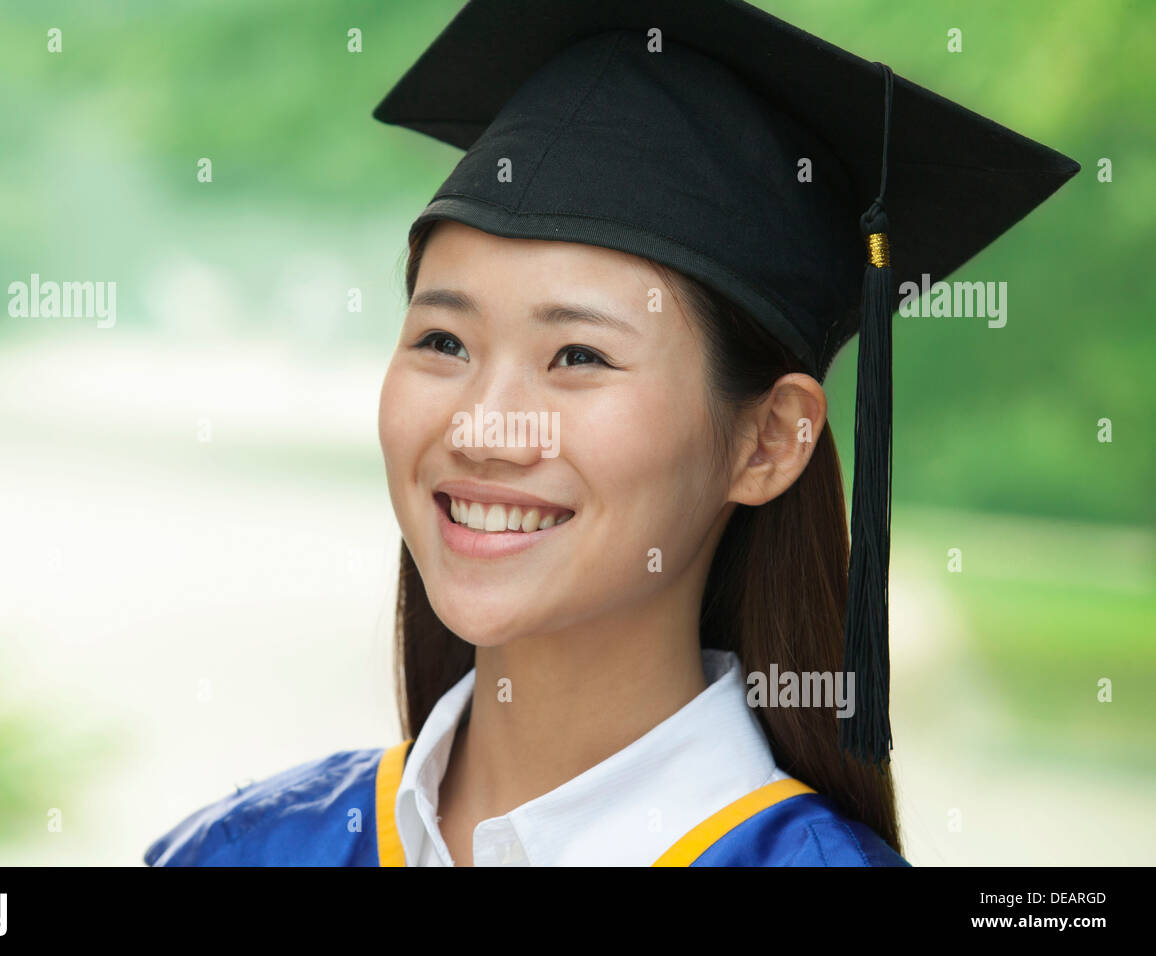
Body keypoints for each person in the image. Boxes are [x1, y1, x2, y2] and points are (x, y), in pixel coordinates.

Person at [145, 0, 1078, 866]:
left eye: (580, 357)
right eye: (443, 340)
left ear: (768, 442)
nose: (485, 428)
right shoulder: (247, 848)